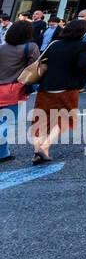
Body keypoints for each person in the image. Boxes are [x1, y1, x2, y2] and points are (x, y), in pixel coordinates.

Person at [30, 19, 86, 165]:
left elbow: (43, 61)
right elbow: (82, 66)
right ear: (83, 32)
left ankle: (37, 151)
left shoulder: (54, 44)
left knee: (41, 120)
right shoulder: (82, 45)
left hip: (46, 86)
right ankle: (45, 147)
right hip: (67, 87)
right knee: (65, 119)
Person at [0, 20, 39, 163]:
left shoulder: (2, 47)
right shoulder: (30, 47)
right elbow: (35, 68)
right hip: (13, 89)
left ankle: (3, 154)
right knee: (6, 123)